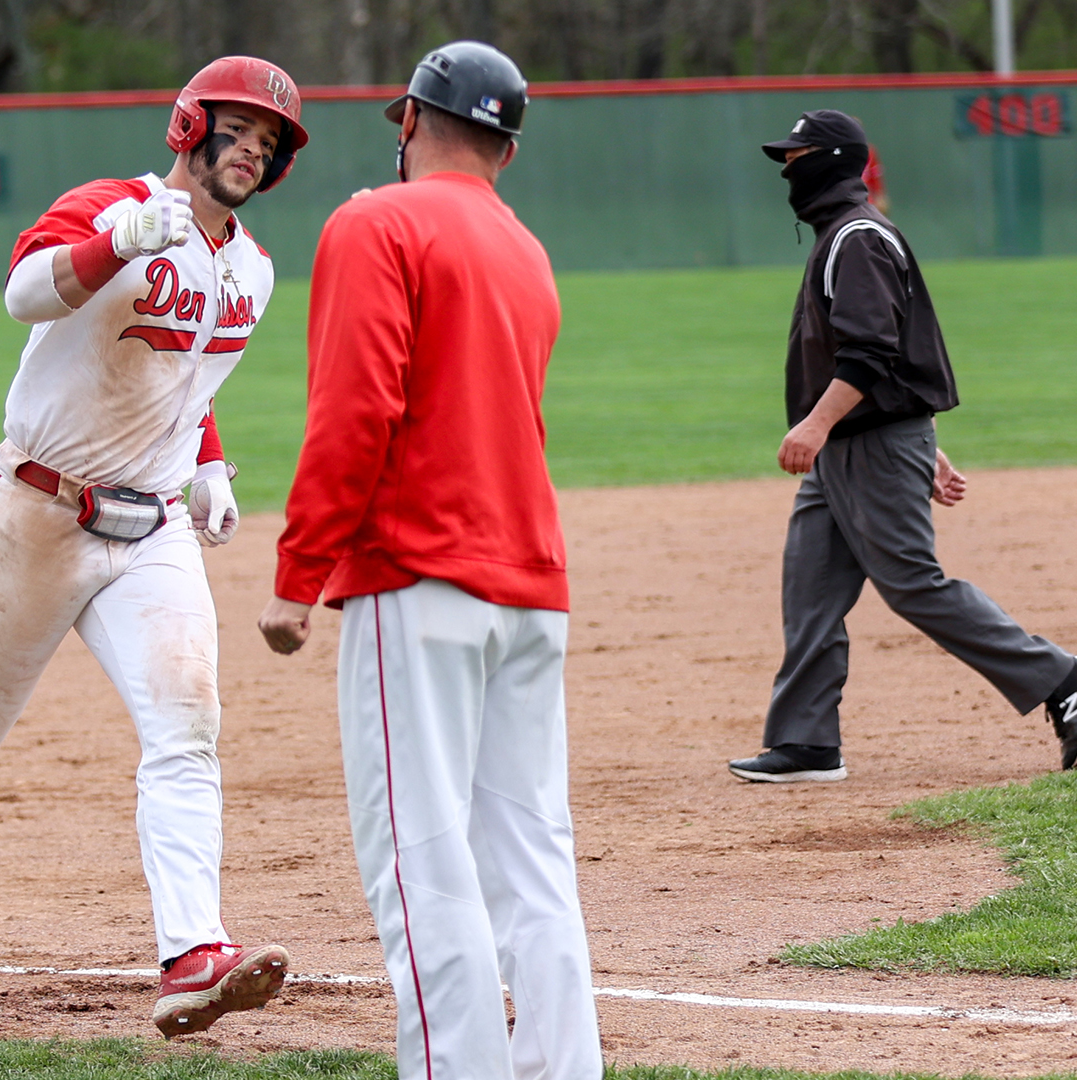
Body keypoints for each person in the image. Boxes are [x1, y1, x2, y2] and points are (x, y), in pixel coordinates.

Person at [0, 56, 306, 1037]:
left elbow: (185, 382)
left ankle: (192, 955)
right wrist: (116, 244)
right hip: (37, 509)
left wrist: (208, 466)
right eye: (239, 129)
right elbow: (25, 294)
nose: (252, 150)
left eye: (269, 142)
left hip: (152, 528)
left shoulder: (252, 268)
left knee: (186, 726)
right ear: (190, 126)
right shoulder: (111, 205)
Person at [258, 42, 604, 1080]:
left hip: (418, 580)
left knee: (423, 860)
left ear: (410, 122)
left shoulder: (376, 222)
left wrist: (298, 575)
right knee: (532, 854)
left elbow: (357, 411)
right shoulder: (526, 248)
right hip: (531, 582)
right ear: (509, 150)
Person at [729, 109, 1077, 784]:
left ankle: (1058, 676)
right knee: (810, 589)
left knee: (912, 584)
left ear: (832, 162)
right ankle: (807, 741)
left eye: (797, 158)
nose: (787, 170)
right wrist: (920, 442)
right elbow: (900, 356)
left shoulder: (858, 239)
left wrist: (818, 425)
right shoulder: (843, 234)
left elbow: (872, 353)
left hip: (864, 444)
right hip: (852, 447)